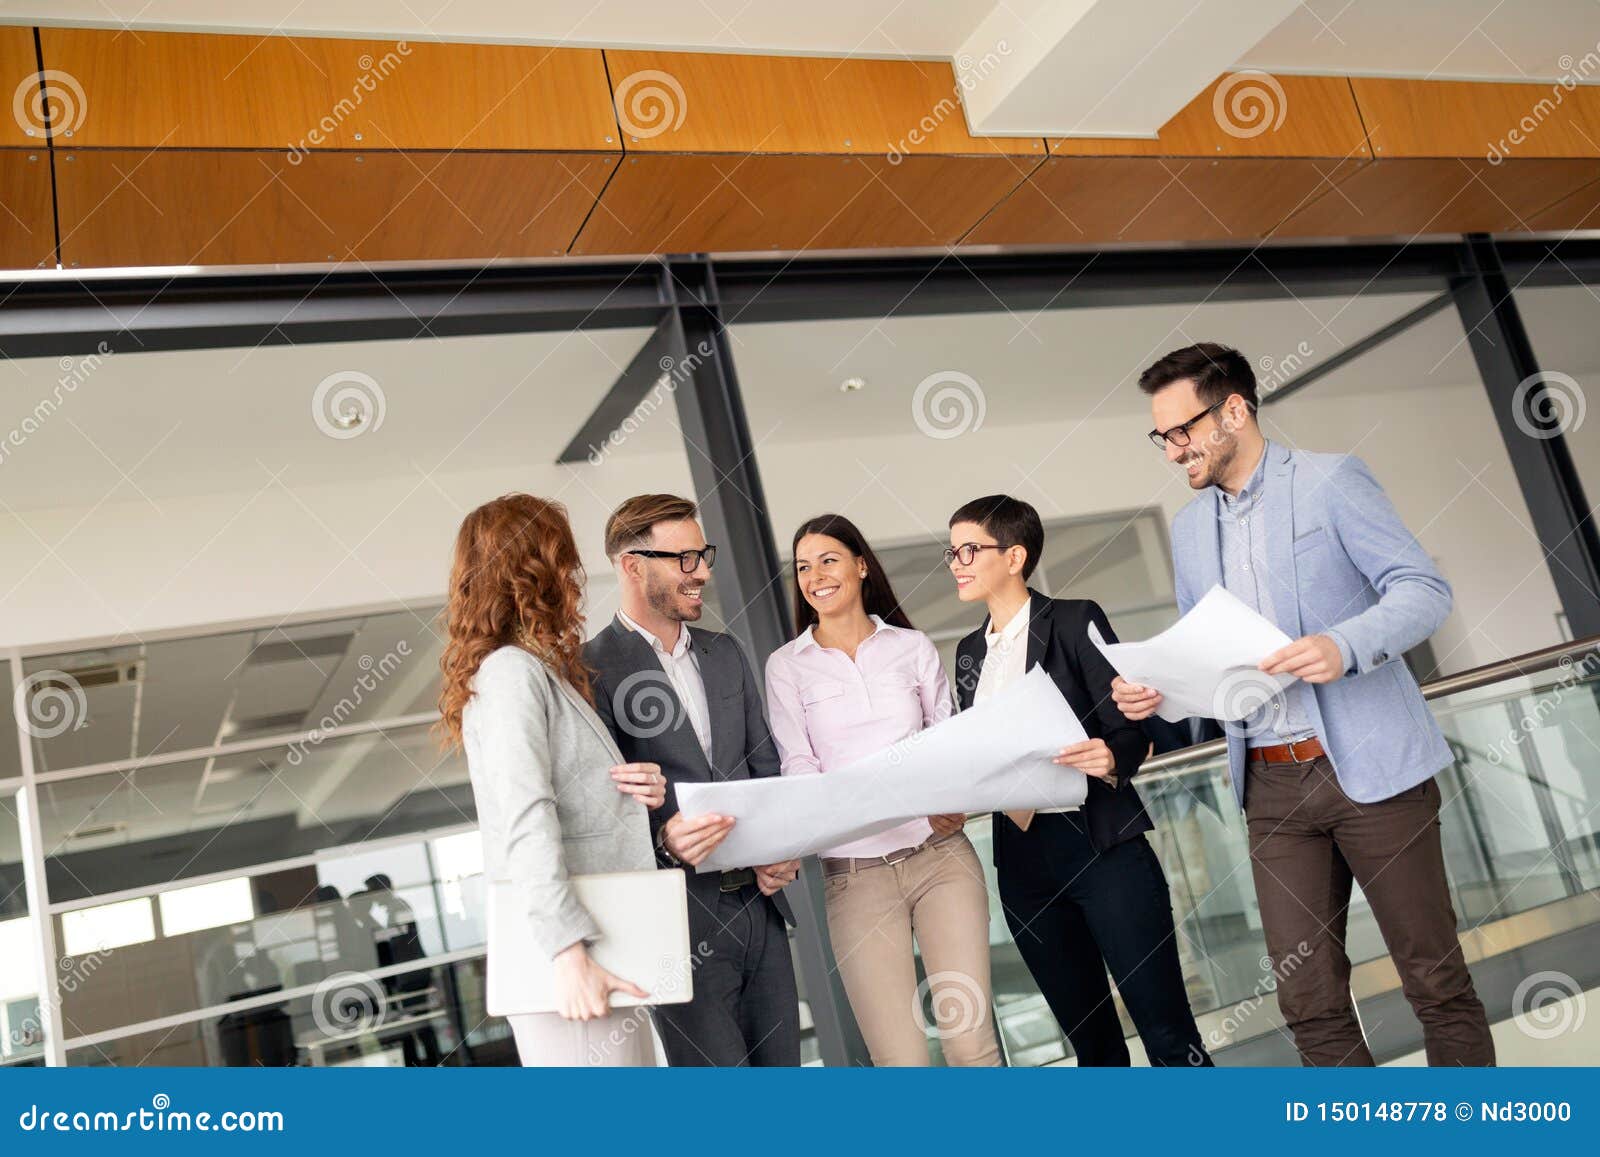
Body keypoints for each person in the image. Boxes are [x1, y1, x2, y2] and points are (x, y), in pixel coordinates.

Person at [1113, 342, 1494, 1067]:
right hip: (1271, 786)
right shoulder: (1191, 530)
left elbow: (1422, 589)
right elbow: (1206, 656)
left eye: (1181, 430)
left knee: (1435, 980)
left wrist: (1343, 645)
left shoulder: (1329, 481)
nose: (1171, 451)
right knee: (1308, 1001)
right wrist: (1160, 689)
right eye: (1160, 437)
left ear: (1234, 410)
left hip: (1373, 770)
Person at [948, 494, 1211, 1067]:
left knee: (1166, 1030)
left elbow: (1127, 724)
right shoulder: (970, 652)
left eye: (970, 548)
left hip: (1101, 846)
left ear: (1014, 556)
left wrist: (1110, 756)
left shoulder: (1073, 619)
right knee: (1091, 1046)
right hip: (1022, 864)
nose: (957, 562)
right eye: (953, 551)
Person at [438, 493, 669, 1067]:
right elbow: (525, 815)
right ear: (531, 570)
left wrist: (630, 792)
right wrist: (568, 953)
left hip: (596, 948)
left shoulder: (535, 669)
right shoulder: (511, 673)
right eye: (561, 558)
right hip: (570, 960)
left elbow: (561, 796)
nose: (573, 574)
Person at [765, 514, 1000, 1067]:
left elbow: (943, 744)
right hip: (855, 877)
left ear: (861, 565)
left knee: (972, 1043)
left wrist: (952, 805)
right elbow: (798, 763)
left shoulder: (912, 647)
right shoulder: (787, 667)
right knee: (902, 1062)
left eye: (828, 560)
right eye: (803, 567)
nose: (815, 576)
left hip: (940, 859)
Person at [584, 494, 802, 1067]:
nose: (702, 571)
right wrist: (661, 839)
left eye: (703, 555)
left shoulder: (725, 651)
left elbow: (764, 765)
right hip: (676, 924)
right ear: (633, 565)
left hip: (761, 906)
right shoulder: (589, 672)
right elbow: (597, 808)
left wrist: (780, 847)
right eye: (684, 559)